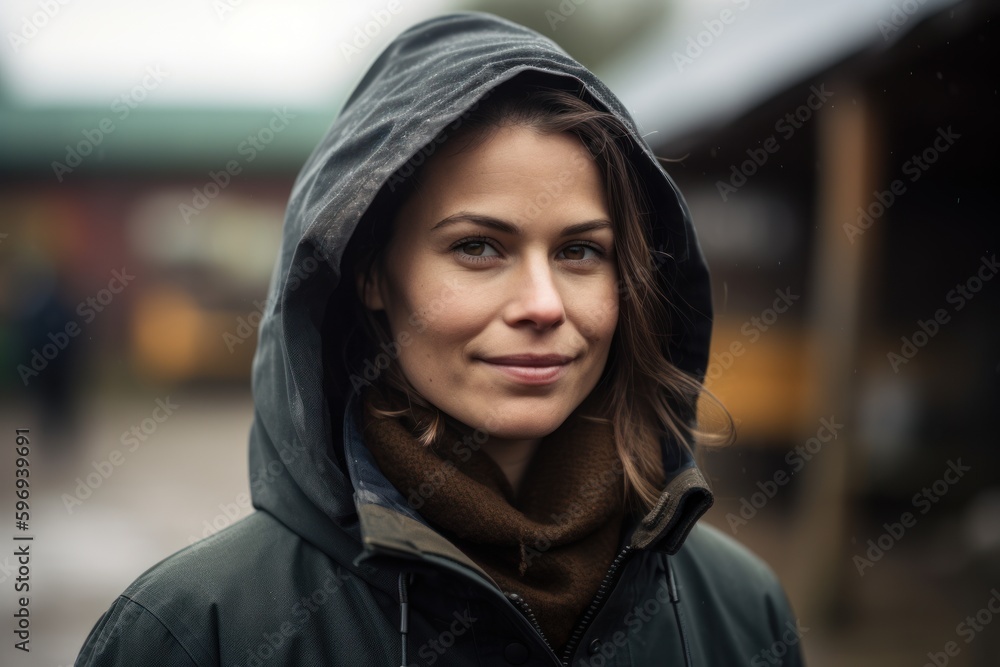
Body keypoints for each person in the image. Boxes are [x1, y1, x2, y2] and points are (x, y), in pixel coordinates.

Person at [76, 12, 805, 666]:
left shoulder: (740, 610)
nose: (543, 304)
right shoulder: (197, 631)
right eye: (479, 248)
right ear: (370, 271)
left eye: (580, 251)